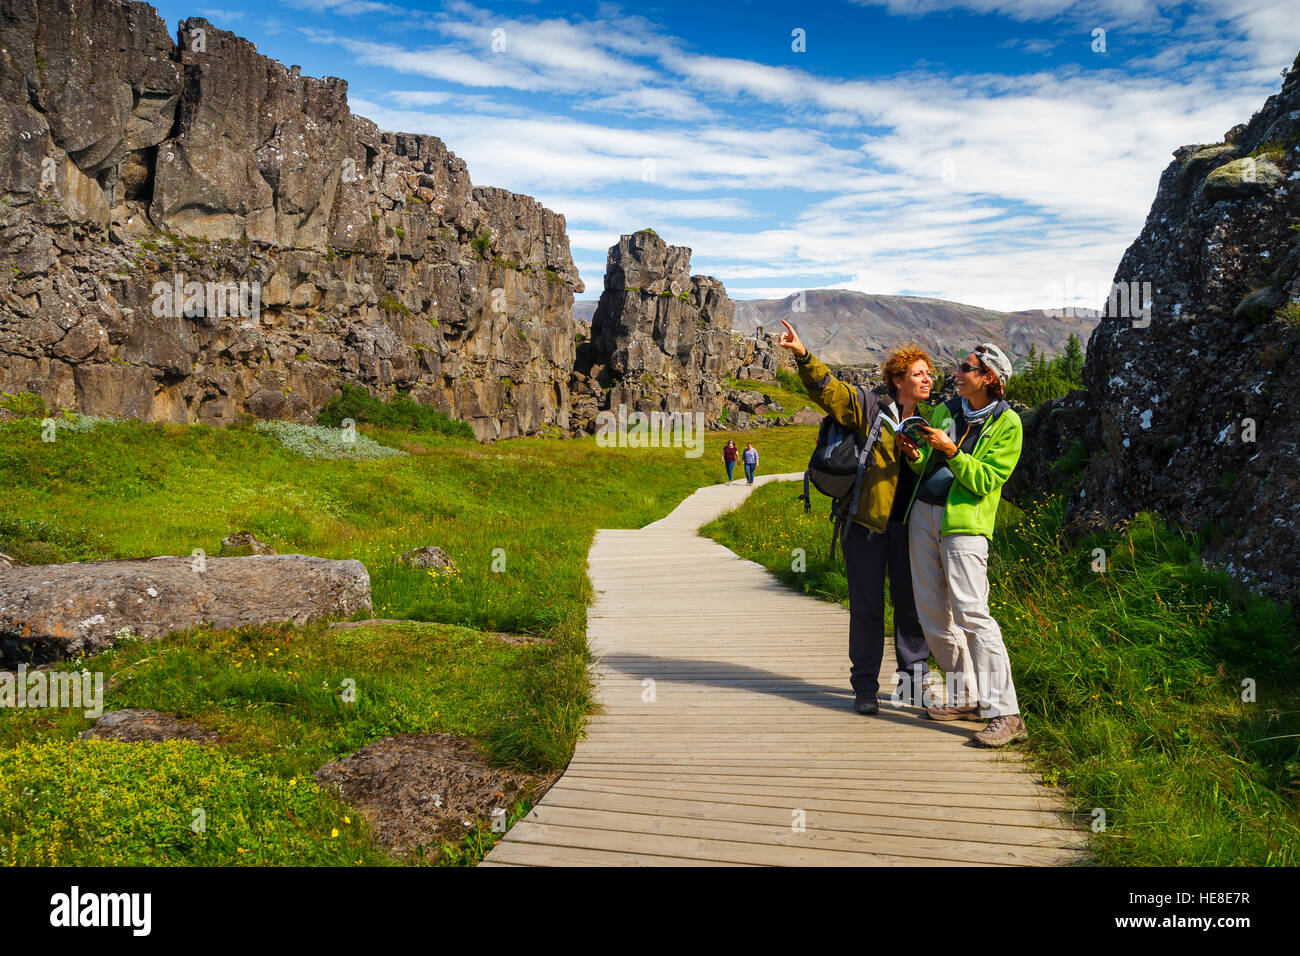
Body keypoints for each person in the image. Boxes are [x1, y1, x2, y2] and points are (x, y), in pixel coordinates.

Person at [778, 319, 933, 716]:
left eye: (929, 374)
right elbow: (829, 391)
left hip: (910, 529)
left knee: (911, 607)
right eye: (919, 374)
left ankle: (913, 687)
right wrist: (803, 355)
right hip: (864, 526)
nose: (927, 379)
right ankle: (865, 688)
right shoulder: (868, 407)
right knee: (867, 609)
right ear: (898, 379)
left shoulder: (929, 426)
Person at [895, 343, 1028, 748]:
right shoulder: (947, 410)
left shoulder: (1008, 424)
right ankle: (966, 696)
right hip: (923, 516)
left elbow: (986, 480)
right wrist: (916, 453)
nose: (957, 373)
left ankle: (1005, 712)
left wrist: (952, 451)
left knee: (972, 613)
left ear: (989, 377)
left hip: (965, 526)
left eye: (967, 368)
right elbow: (926, 467)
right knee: (933, 614)